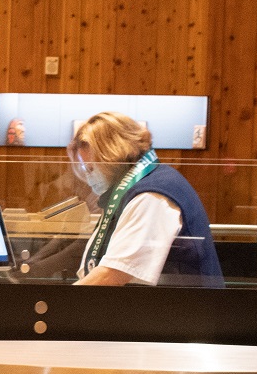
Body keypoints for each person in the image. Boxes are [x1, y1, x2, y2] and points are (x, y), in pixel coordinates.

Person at [68, 111, 224, 287]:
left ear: (112, 157)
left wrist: (61, 300)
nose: (89, 177)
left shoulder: (152, 195)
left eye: (91, 168)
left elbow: (112, 274)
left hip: (185, 303)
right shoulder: (146, 183)